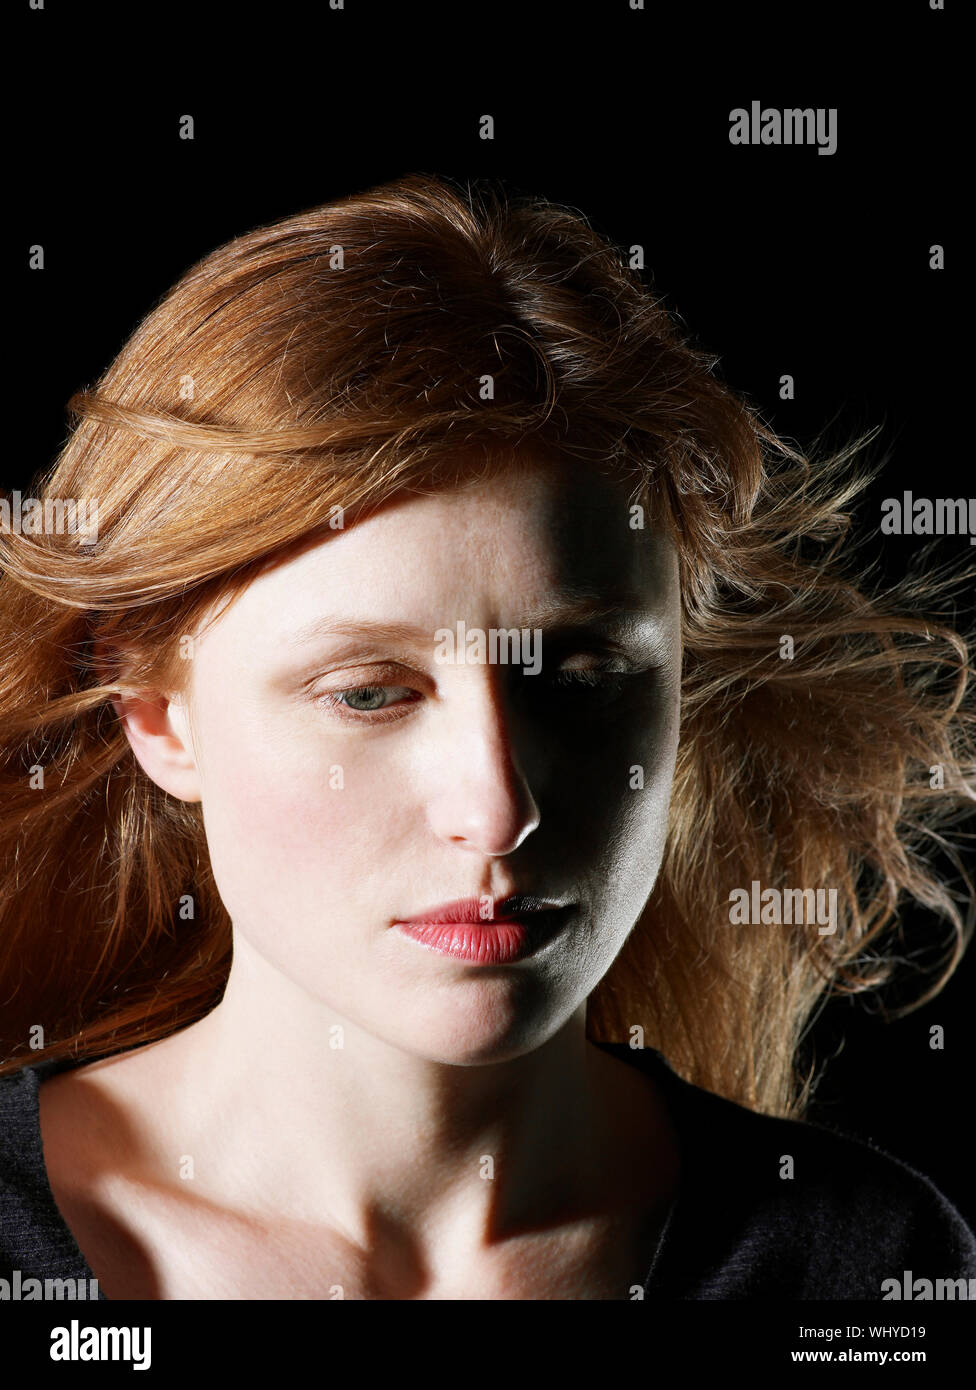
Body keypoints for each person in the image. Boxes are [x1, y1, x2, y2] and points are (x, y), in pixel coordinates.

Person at [1, 174, 974, 1301]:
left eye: (583, 674)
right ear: (158, 716)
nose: (500, 806)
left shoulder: (860, 1269)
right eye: (368, 692)